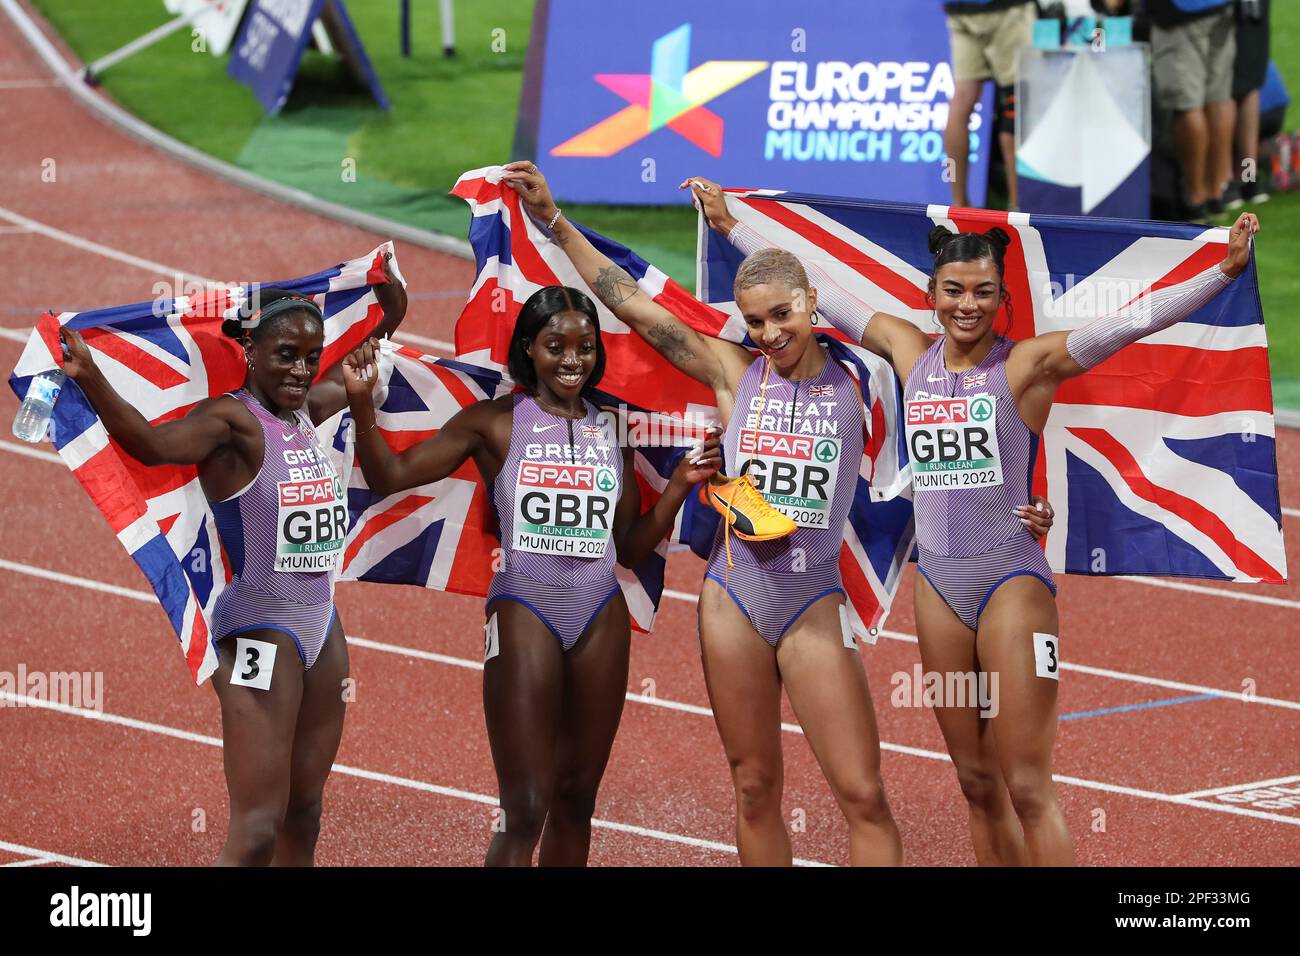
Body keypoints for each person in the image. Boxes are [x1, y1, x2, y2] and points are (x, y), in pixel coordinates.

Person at [690, 175, 1259, 865]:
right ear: (932, 296)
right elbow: (825, 291)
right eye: (953, 291)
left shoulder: (1026, 365)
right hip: (939, 593)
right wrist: (729, 229)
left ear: (1002, 298)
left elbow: (1129, 323)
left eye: (982, 292)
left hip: (1009, 582)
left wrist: (1219, 273)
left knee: (1025, 784)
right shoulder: (906, 352)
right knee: (976, 782)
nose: (967, 304)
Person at [500, 162, 1057, 866]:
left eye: (782, 316)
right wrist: (555, 221)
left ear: (812, 305)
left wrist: (1027, 510)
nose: (767, 332)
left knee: (863, 795)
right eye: (755, 320)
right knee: (755, 786)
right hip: (732, 597)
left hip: (811, 600)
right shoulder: (734, 373)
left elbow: (969, 428)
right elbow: (631, 304)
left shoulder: (868, 379)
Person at [339, 285, 722, 866]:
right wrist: (363, 402)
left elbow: (627, 546)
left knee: (576, 800)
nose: (573, 360)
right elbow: (391, 475)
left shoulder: (612, 429)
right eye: (556, 346)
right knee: (524, 806)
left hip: (600, 610)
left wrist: (675, 489)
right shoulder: (493, 423)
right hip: (525, 606)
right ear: (528, 348)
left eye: (585, 347)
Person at [58, 254, 409, 865]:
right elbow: (149, 444)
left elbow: (369, 345)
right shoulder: (232, 424)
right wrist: (90, 376)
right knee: (255, 829)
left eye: (310, 354)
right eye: (285, 356)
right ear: (250, 350)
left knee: (306, 811)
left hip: (322, 626)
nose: (302, 369)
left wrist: (391, 298)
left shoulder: (306, 408)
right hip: (258, 630)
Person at [941, 0, 1038, 210]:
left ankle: (959, 205)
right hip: (1007, 9)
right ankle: (1017, 209)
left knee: (961, 101)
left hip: (960, 9)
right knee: (1018, 100)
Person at [1147, 0, 1237, 219]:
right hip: (1221, 7)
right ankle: (1216, 193)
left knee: (1188, 104)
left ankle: (1195, 199)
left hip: (1182, 13)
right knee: (1218, 99)